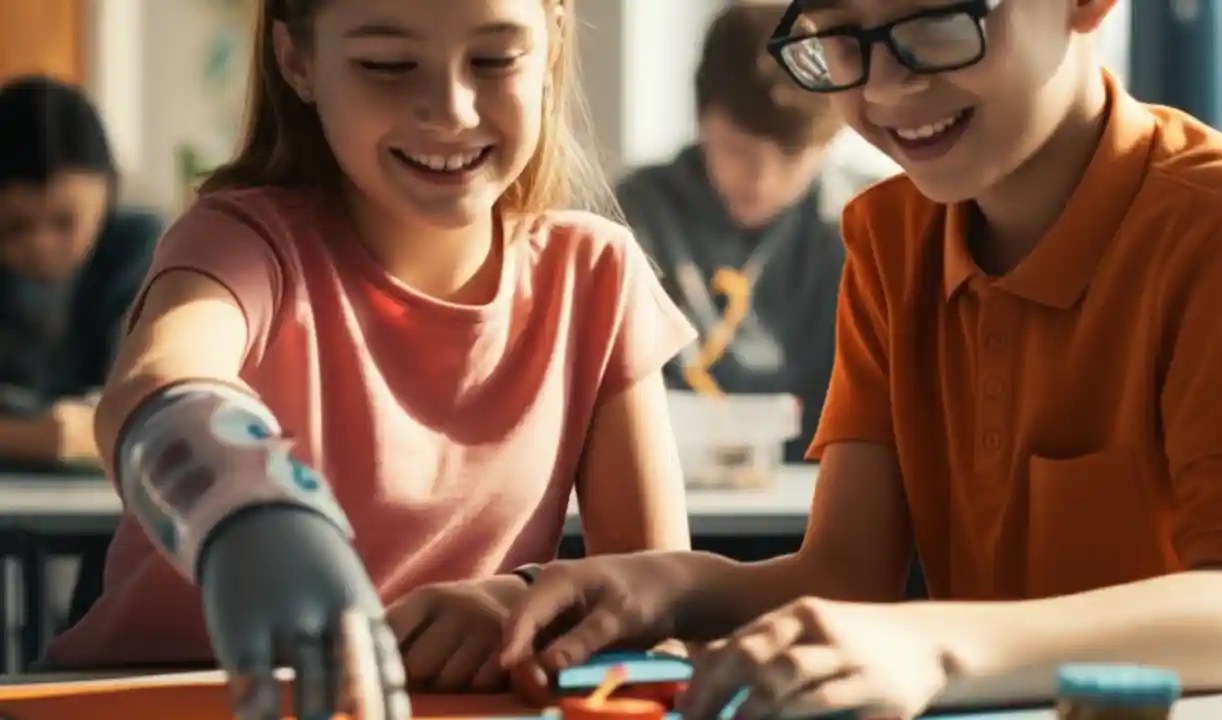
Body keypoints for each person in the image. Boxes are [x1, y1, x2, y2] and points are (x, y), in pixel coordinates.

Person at [498, 1, 1222, 718]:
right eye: (841, 36)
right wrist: (657, 585)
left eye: (938, 20)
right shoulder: (889, 239)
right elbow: (846, 575)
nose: (887, 87)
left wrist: (930, 644)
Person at [44, 0, 695, 717]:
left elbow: (655, 613)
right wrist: (248, 510)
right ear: (297, 61)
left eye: (494, 59)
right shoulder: (242, 242)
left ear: (553, 43)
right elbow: (154, 380)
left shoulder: (594, 276)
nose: (450, 110)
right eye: (386, 64)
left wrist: (523, 599)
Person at [615, 2, 875, 460]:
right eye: (737, 149)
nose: (761, 178)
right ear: (700, 121)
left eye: (789, 157)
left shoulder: (863, 224)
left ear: (828, 143)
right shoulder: (636, 214)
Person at [0, 76, 162, 468]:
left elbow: (152, 413)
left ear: (108, 194)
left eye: (64, 222)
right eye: (14, 227)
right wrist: (35, 438)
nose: (40, 245)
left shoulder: (143, 252)